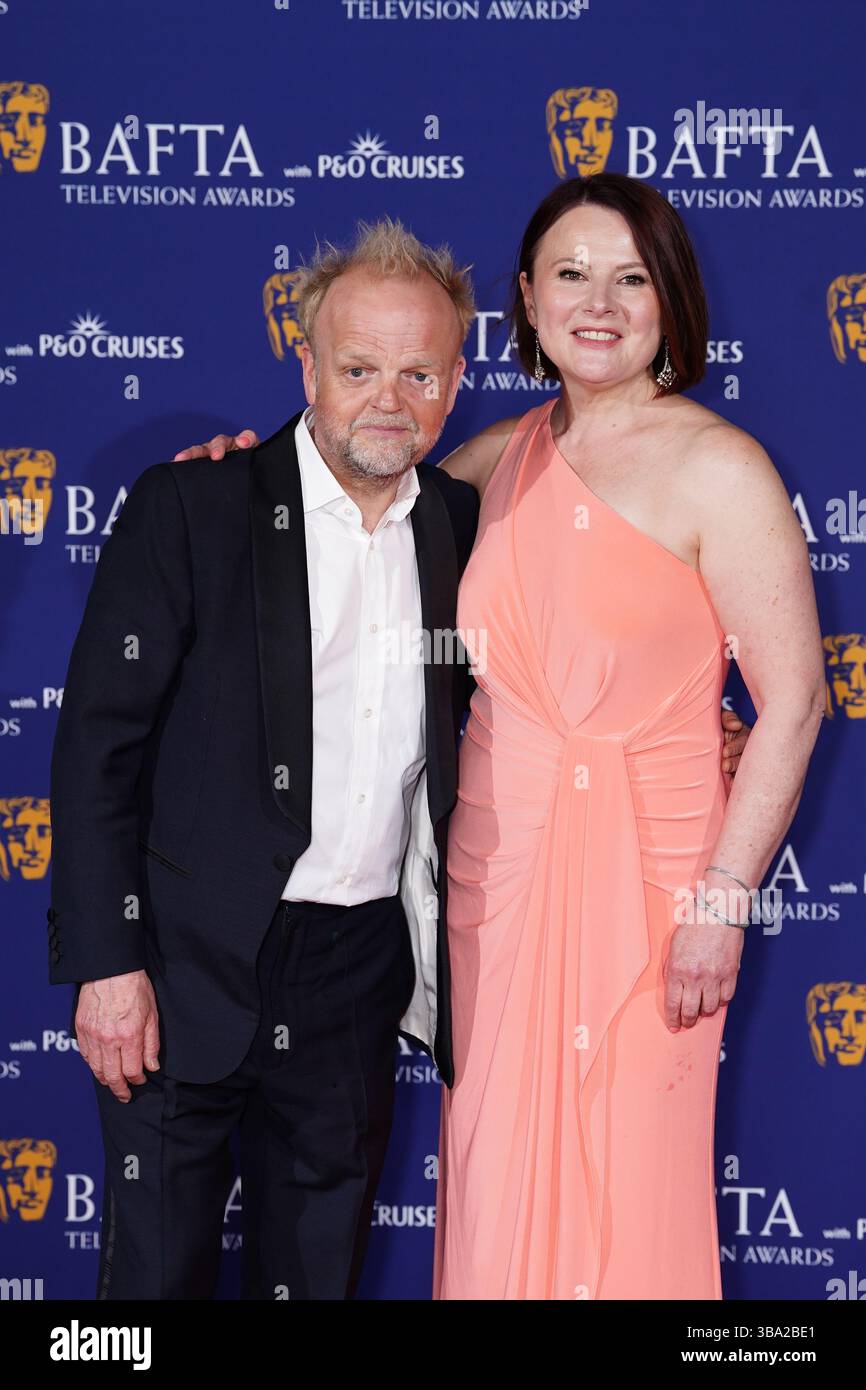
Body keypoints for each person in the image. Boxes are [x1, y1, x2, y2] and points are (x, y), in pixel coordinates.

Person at [177, 181, 770, 1301]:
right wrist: (229, 482)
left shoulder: (719, 468)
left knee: (630, 1184)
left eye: (630, 277)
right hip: (495, 891)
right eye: (571, 274)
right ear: (528, 302)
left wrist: (722, 899)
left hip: (649, 897)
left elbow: (792, 706)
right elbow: (333, 508)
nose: (599, 303)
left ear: (668, 300)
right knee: (497, 1181)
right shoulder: (492, 464)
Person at [48, 219, 481, 1300]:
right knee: (149, 1284)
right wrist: (108, 967)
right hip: (181, 963)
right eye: (357, 368)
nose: (388, 396)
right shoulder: (194, 506)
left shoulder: (468, 532)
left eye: (418, 370)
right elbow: (97, 747)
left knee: (316, 1276)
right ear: (307, 367)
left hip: (352, 970)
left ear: (455, 378)